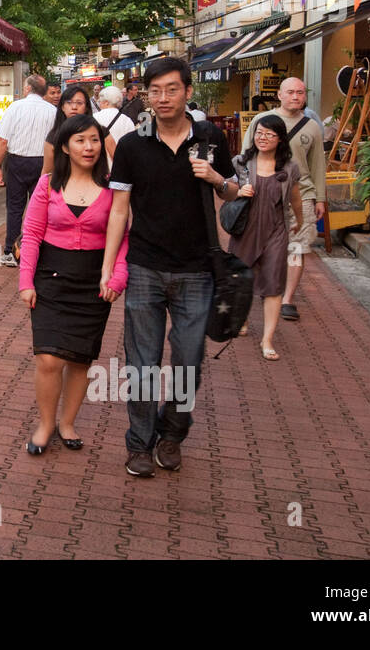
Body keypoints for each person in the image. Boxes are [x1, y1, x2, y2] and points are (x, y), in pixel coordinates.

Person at [101, 58, 238, 479]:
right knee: (141, 363)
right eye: (154, 90)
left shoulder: (210, 138)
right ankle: (139, 444)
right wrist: (109, 269)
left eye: (171, 89)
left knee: (188, 362)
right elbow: (119, 210)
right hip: (145, 266)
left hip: (197, 269)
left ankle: (173, 431)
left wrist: (215, 178)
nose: (162, 98)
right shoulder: (132, 146)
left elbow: (235, 190)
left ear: (187, 91)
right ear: (144, 95)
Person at [18, 114, 128, 454]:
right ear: (65, 146)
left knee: (80, 359)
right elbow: (32, 234)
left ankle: (67, 423)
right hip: (50, 277)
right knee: (49, 359)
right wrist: (26, 279)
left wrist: (117, 276)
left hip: (94, 281)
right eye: (80, 140)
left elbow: (124, 236)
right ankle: (46, 423)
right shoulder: (48, 184)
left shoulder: (114, 186)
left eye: (94, 140)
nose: (89, 147)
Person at [241, 76, 327, 322]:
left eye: (300, 92)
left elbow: (318, 164)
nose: (295, 97)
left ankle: (287, 299)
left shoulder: (311, 127)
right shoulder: (262, 121)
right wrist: (244, 187)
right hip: (263, 194)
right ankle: (266, 286)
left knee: (296, 248)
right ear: (279, 95)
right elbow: (246, 155)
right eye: (290, 92)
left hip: (303, 194)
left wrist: (320, 198)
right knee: (261, 245)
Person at [229, 114, 303, 361]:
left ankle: (267, 339)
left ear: (280, 139)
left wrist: (299, 221)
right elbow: (226, 192)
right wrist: (238, 191)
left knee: (273, 284)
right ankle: (242, 319)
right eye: (259, 133)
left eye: (269, 135)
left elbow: (295, 198)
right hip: (245, 229)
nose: (263, 138)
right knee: (241, 278)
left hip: (276, 230)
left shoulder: (290, 168)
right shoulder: (241, 162)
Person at [0, 74, 57, 267]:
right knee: (41, 207)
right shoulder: (52, 111)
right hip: (44, 163)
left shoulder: (15, 107)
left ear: (28, 88)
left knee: (14, 208)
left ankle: (10, 252)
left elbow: (3, 141)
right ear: (43, 91)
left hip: (17, 162)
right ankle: (37, 250)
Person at [40, 84, 93, 176]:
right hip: (62, 186)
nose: (74, 107)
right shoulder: (53, 136)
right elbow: (47, 173)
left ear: (87, 107)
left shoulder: (97, 132)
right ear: (62, 107)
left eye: (79, 103)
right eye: (69, 102)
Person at [92, 85, 137, 160]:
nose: (99, 103)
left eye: (100, 101)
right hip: (119, 167)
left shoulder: (93, 118)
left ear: (106, 102)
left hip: (99, 166)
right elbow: (132, 148)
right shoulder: (127, 121)